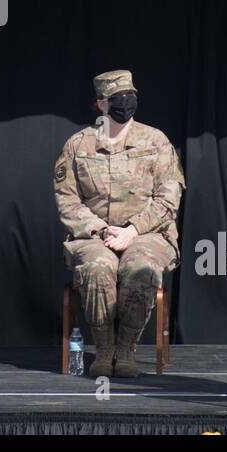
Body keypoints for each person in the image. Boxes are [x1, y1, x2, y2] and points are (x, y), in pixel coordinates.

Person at [53, 70, 184, 378]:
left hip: (148, 233)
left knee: (140, 268)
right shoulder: (78, 145)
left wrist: (133, 230)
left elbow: (169, 198)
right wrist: (100, 229)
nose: (125, 103)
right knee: (99, 268)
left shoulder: (156, 141)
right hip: (95, 234)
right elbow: (67, 200)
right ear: (101, 104)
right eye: (117, 99)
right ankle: (105, 348)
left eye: (130, 97)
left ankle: (126, 348)